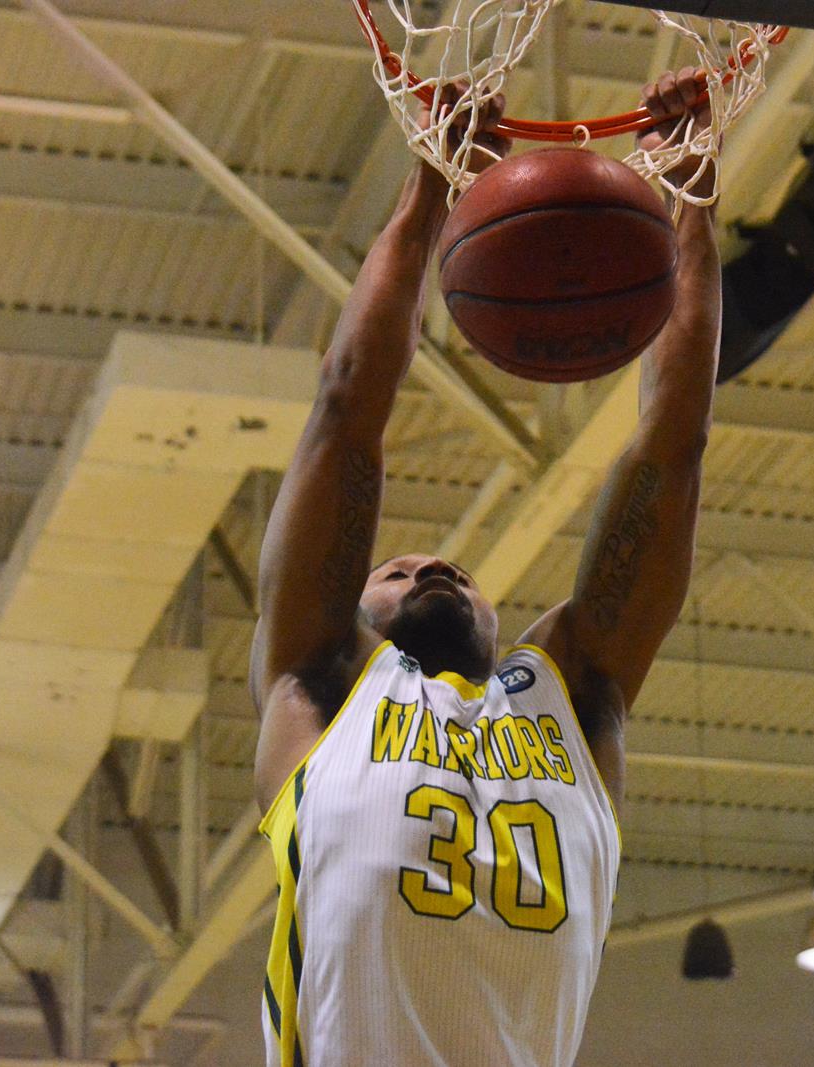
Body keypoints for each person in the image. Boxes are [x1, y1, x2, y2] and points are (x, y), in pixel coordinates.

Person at [252, 68, 721, 1067]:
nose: (431, 567)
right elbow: (345, 407)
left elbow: (673, 444)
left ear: (501, 619)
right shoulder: (322, 688)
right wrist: (431, 187)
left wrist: (691, 202)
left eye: (453, 570)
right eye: (395, 571)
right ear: (351, 612)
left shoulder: (571, 697)